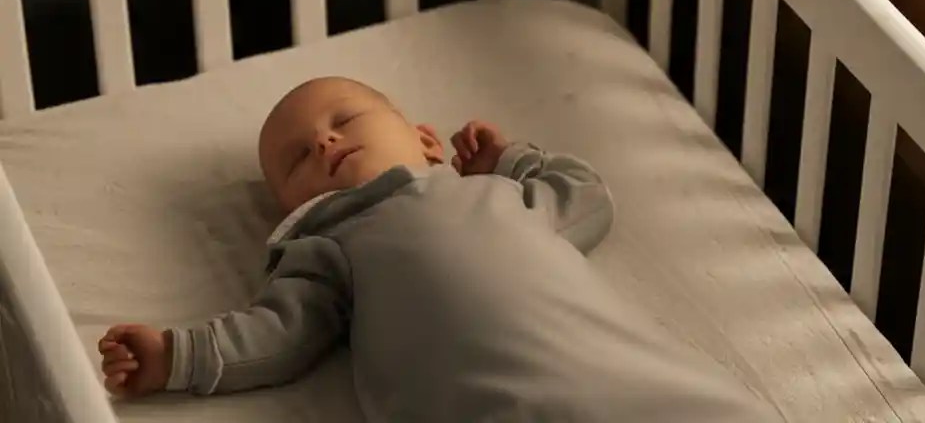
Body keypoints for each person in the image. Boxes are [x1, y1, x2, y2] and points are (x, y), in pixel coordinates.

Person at [96, 76, 778, 421]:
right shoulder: (328, 244)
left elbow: (588, 197)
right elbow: (277, 332)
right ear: (292, 207)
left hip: (635, 388)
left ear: (425, 141)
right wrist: (177, 356)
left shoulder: (500, 199)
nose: (326, 143)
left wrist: (511, 161)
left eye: (344, 121)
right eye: (298, 157)